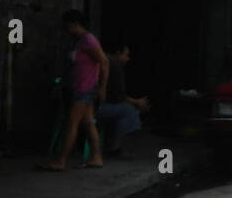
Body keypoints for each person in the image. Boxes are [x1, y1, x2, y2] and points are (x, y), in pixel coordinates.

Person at [41, 9, 108, 170]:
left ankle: (61, 160)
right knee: (87, 123)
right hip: (83, 87)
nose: (65, 29)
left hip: (85, 88)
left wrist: (103, 87)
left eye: (66, 26)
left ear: (73, 24)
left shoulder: (88, 40)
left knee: (72, 123)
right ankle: (96, 157)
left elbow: (104, 62)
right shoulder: (80, 41)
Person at [95, 41, 150, 156]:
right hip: (96, 107)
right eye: (126, 55)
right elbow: (119, 97)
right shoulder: (113, 66)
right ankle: (114, 148)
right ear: (118, 53)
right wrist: (137, 103)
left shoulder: (105, 62)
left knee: (124, 109)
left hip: (93, 104)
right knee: (128, 111)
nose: (128, 58)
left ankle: (113, 146)